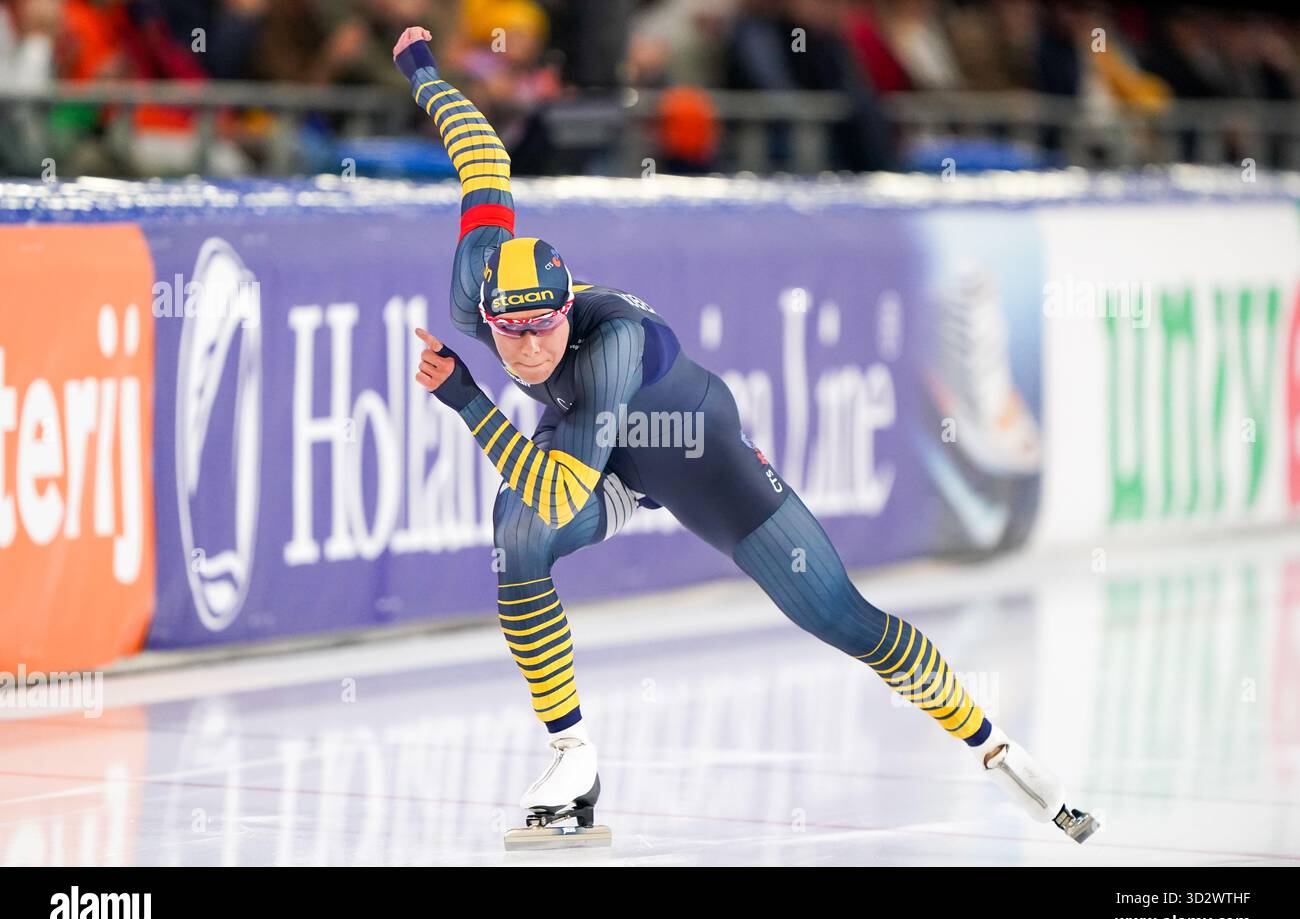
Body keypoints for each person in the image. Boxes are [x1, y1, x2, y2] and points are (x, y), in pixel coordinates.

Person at [392, 24, 1099, 848]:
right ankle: (572, 755)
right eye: (507, 334)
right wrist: (423, 71)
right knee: (517, 537)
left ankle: (999, 749)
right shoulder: (474, 277)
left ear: (566, 305)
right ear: (482, 309)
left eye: (543, 327)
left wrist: (470, 400)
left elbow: (558, 487)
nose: (526, 347)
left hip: (693, 449)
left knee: (841, 617)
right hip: (596, 445)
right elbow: (484, 156)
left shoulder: (612, 341)